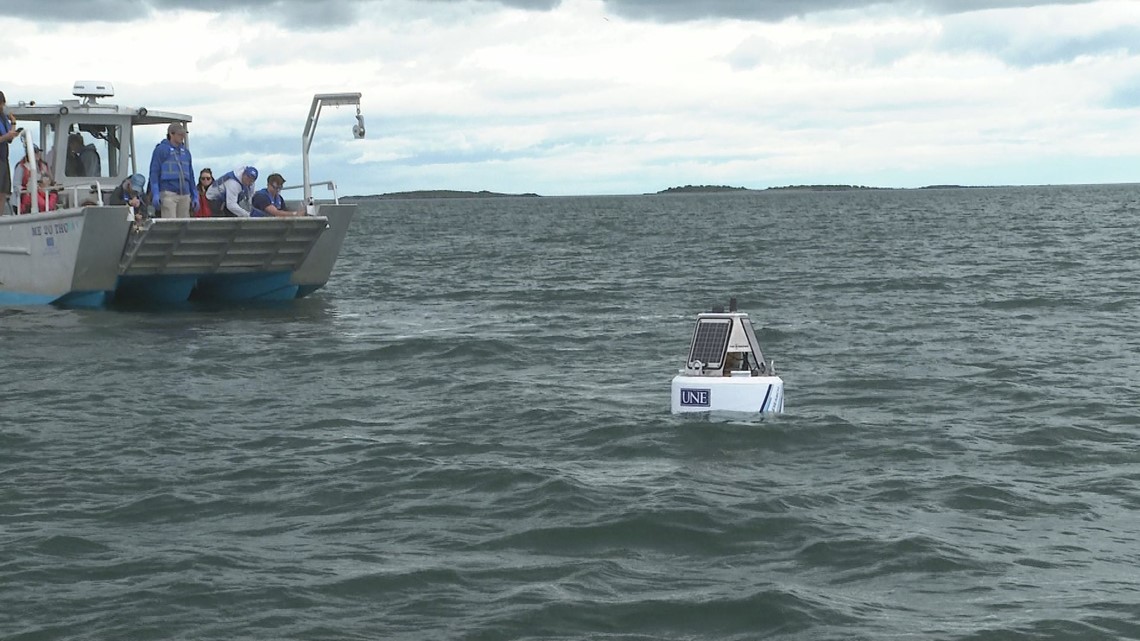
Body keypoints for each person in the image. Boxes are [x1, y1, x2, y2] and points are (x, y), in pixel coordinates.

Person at [148, 122, 197, 218]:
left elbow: (190, 175)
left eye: (183, 134)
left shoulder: (186, 153)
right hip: (168, 193)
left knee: (184, 226)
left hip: (185, 194)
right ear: (171, 134)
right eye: (179, 134)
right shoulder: (161, 150)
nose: (182, 136)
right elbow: (154, 173)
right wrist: (156, 193)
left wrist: (195, 195)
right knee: (170, 224)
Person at [14, 146, 57, 214]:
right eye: (35, 152)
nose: (38, 154)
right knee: (41, 203)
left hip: (43, 193)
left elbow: (50, 179)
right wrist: (26, 190)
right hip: (28, 195)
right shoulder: (21, 167)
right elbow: (16, 185)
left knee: (52, 196)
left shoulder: (43, 165)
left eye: (38, 152)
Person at [0, 91, 20, 215]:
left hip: (3, 157)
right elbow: (5, 137)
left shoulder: (3, 118)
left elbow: (10, 138)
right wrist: (5, 136)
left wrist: (13, 124)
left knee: (3, 191)